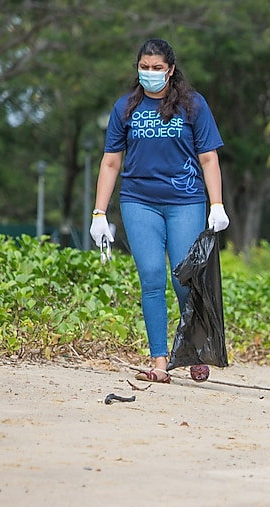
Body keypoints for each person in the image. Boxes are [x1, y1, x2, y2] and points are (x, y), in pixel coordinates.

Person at [90, 38, 228, 383]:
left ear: (171, 70)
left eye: (157, 68)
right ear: (137, 69)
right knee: (151, 277)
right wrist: (99, 213)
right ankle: (159, 359)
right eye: (144, 68)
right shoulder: (125, 108)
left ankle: (195, 348)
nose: (150, 74)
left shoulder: (194, 105)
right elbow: (110, 163)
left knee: (185, 279)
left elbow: (208, 158)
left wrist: (217, 204)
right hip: (139, 201)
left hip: (186, 201)